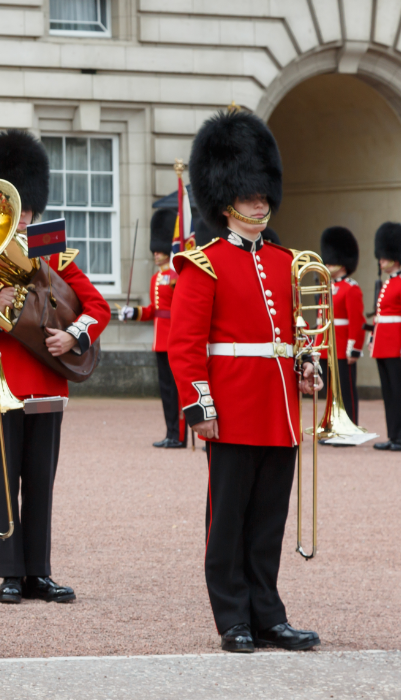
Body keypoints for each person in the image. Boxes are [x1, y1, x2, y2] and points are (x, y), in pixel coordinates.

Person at [169, 106, 322, 653]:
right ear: (226, 198)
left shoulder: (286, 261)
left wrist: (308, 364)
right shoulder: (202, 263)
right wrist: (199, 406)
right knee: (227, 522)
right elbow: (186, 347)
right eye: (250, 196)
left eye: (263, 196)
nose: (259, 204)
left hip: (278, 412)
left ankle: (268, 614)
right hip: (231, 409)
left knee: (266, 524)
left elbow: (297, 333)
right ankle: (232, 617)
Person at [0, 130, 110, 606]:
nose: (23, 214)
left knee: (40, 484)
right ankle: (9, 572)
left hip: (45, 382)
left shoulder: (50, 248)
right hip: (0, 382)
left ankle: (38, 573)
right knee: (4, 482)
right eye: (15, 205)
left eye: (28, 205)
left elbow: (96, 307)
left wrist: (73, 335)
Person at [118, 208, 184, 448]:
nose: (156, 254)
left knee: (176, 391)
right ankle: (171, 432)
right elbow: (153, 310)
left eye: (159, 250)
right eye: (155, 251)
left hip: (174, 339)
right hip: (160, 340)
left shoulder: (178, 276)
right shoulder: (156, 278)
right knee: (166, 391)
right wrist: (133, 313)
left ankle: (180, 435)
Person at [320, 226, 364, 426]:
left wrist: (353, 349)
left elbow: (356, 321)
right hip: (326, 347)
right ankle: (334, 425)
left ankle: (349, 427)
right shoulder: (327, 287)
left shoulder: (351, 288)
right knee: (330, 392)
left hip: (341, 348)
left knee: (345, 391)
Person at [370, 222, 401, 450]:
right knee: (389, 393)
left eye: (384, 256)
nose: (380, 260)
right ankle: (393, 435)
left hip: (396, 344)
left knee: (398, 391)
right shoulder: (388, 283)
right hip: (383, 343)